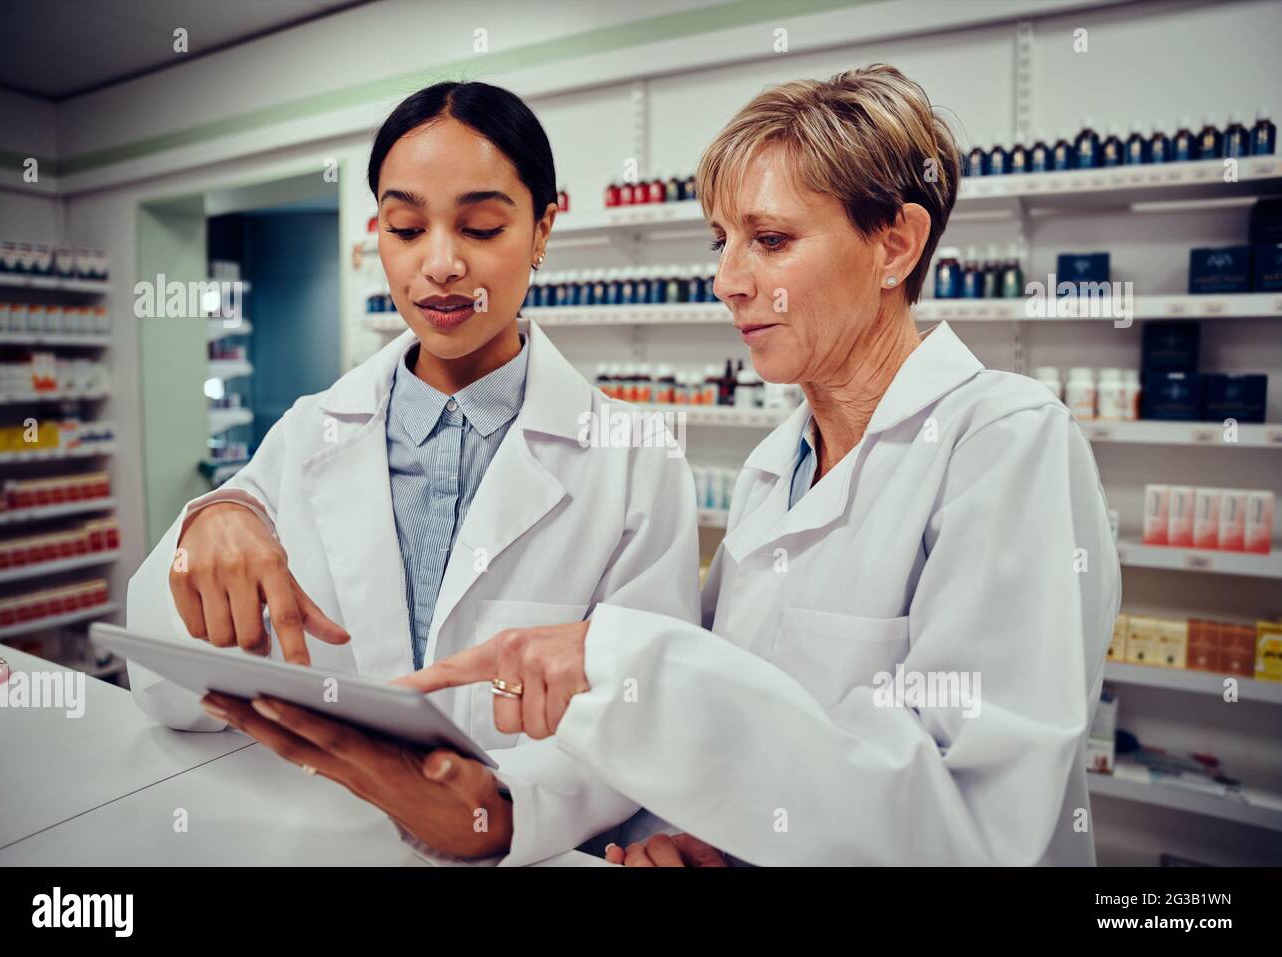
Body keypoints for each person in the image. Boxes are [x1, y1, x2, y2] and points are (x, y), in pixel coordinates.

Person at [405, 64, 1122, 866]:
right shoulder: (772, 472)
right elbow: (765, 762)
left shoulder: (1005, 443)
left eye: (771, 240)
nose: (727, 280)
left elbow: (975, 828)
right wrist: (703, 840)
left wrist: (622, 662)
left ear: (895, 243)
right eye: (724, 241)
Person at [126, 81, 701, 865]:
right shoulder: (308, 432)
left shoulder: (636, 459)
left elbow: (646, 717)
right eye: (404, 226)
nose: (439, 263)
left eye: (482, 225)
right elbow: (161, 690)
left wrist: (503, 807)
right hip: (316, 843)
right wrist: (210, 518)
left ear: (542, 229)